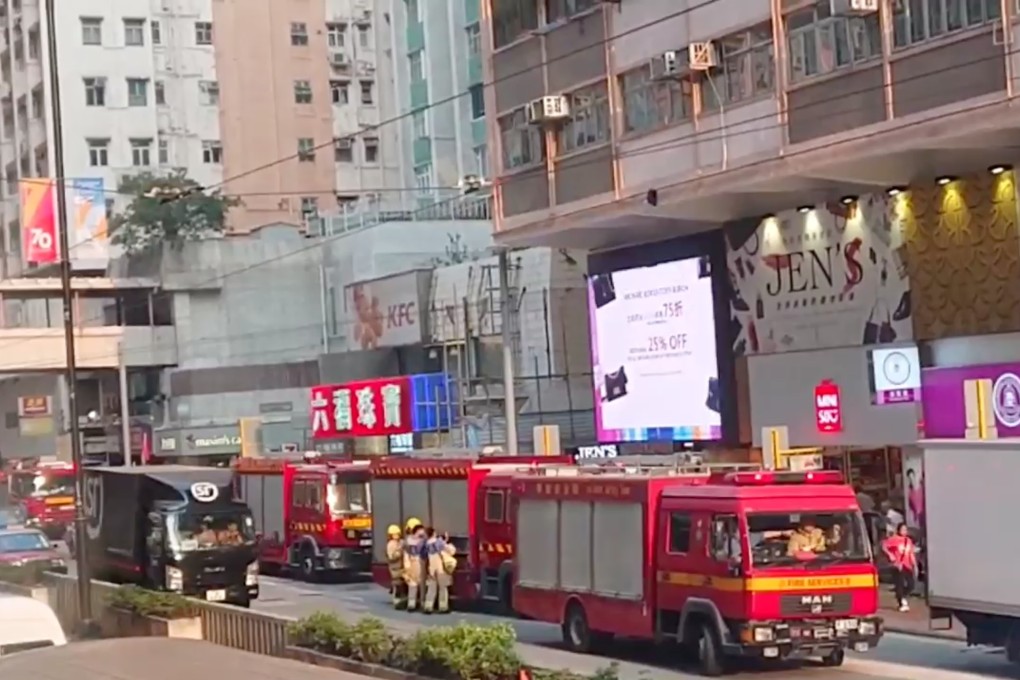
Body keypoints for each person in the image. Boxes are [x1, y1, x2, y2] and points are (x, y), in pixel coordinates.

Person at [883, 522, 917, 612]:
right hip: (898, 565)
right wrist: (890, 555)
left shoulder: (908, 540)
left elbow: (911, 553)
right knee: (900, 584)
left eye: (905, 529)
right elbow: (884, 546)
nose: (904, 531)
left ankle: (902, 596)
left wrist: (914, 564)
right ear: (898, 530)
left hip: (907, 565)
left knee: (911, 585)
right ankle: (901, 602)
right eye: (902, 529)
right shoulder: (894, 539)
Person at [423, 528, 456, 614]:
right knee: (443, 588)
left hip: (431, 568)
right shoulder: (438, 542)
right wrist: (446, 540)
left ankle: (428, 606)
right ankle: (443, 607)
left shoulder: (427, 544)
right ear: (434, 533)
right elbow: (449, 550)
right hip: (440, 568)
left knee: (431, 588)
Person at [402, 518, 424, 611]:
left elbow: (406, 556)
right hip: (420, 563)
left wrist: (407, 568)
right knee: (421, 585)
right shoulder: (422, 541)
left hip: (412, 563)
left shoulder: (407, 542)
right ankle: (422, 603)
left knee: (412, 585)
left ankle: (411, 604)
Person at [385, 524, 406, 609]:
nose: (397, 536)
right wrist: (400, 551)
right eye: (395, 534)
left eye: (397, 534)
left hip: (399, 566)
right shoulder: (391, 544)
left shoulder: (398, 542)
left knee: (400, 583)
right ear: (391, 535)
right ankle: (396, 600)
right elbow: (392, 557)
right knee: (397, 584)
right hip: (395, 567)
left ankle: (399, 598)